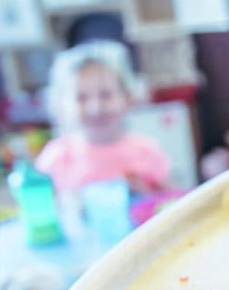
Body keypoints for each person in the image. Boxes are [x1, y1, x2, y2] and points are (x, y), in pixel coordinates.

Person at [35, 40, 171, 195]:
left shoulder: (146, 151)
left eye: (106, 95)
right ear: (60, 106)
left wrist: (145, 194)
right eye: (81, 98)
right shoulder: (56, 157)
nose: (96, 108)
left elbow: (172, 203)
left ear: (128, 97)